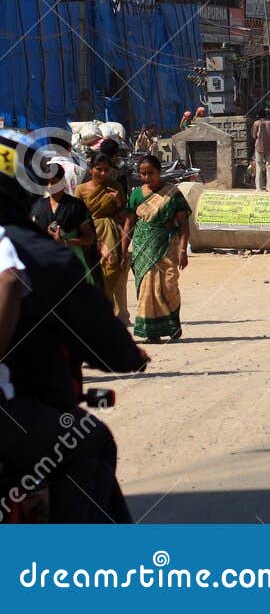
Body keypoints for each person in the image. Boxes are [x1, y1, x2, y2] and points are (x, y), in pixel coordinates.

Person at [1, 135, 149, 523]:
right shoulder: (38, 254)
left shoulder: (70, 213)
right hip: (18, 407)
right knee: (90, 442)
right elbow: (104, 339)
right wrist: (127, 355)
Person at [128, 154, 192, 343]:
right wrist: (123, 248)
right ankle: (152, 332)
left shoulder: (173, 193)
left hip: (167, 246)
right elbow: (129, 223)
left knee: (169, 286)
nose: (147, 177)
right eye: (143, 174)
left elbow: (183, 224)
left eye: (151, 173)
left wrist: (182, 250)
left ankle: (172, 326)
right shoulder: (136, 194)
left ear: (159, 172)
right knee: (147, 288)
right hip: (142, 247)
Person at [30, 162, 102, 294]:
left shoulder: (75, 206)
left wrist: (65, 242)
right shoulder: (38, 207)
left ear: (62, 182)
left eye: (54, 181)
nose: (50, 186)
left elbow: (89, 238)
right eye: (47, 182)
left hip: (73, 260)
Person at [77, 153, 132, 322]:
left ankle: (108, 311)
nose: (102, 173)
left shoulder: (115, 187)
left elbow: (124, 217)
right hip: (88, 232)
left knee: (111, 268)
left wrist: (118, 201)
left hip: (110, 231)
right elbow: (76, 215)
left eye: (106, 170)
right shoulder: (81, 189)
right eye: (98, 169)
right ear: (91, 169)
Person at [251, 109, 270, 191]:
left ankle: (259, 188)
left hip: (259, 147)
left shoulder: (256, 123)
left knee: (259, 167)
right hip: (269, 146)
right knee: (269, 167)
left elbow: (254, 136)